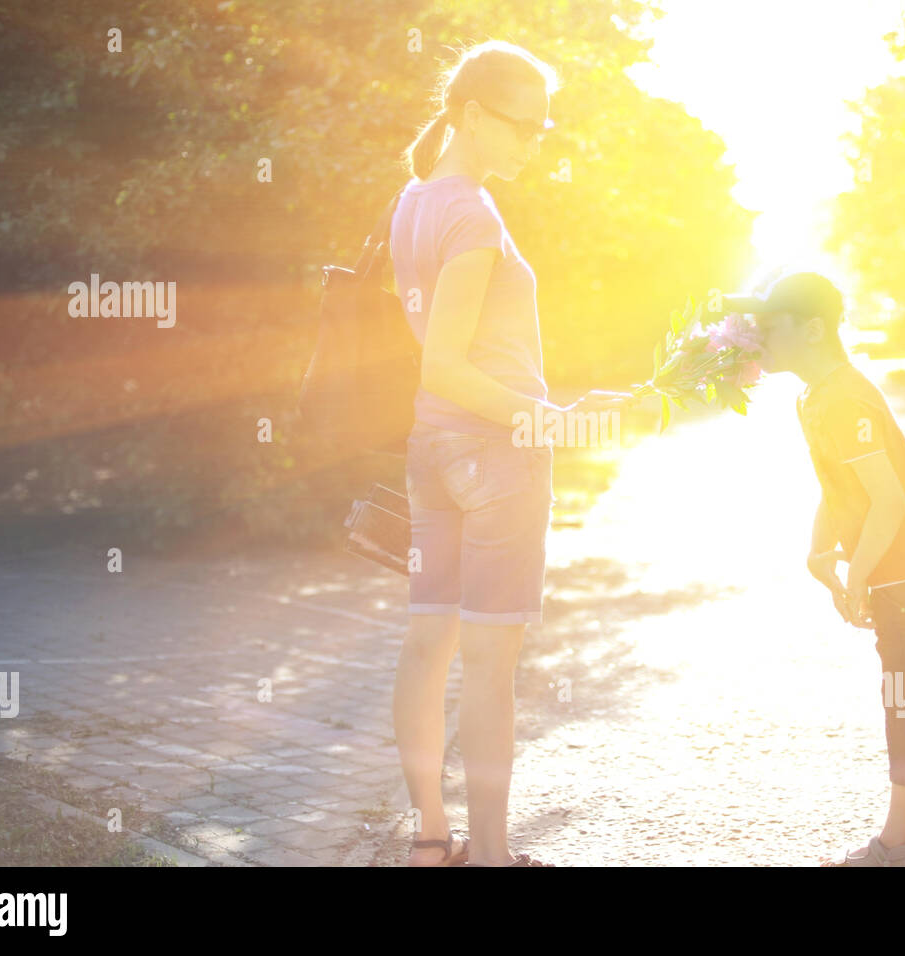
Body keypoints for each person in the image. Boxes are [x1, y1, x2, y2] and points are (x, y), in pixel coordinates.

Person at [389, 39, 627, 867]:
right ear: (474, 114)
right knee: (489, 666)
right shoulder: (475, 215)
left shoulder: (411, 201)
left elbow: (435, 363)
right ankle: (489, 856)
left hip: (431, 451)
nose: (537, 143)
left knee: (428, 644)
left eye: (545, 129)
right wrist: (551, 419)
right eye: (526, 126)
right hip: (498, 451)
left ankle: (430, 839)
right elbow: (446, 363)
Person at [724, 272, 905, 867]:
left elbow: (888, 502)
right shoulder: (815, 395)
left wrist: (859, 574)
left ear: (812, 329)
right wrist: (821, 550)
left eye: (772, 325)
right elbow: (840, 486)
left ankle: (898, 841)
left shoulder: (843, 399)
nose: (760, 336)